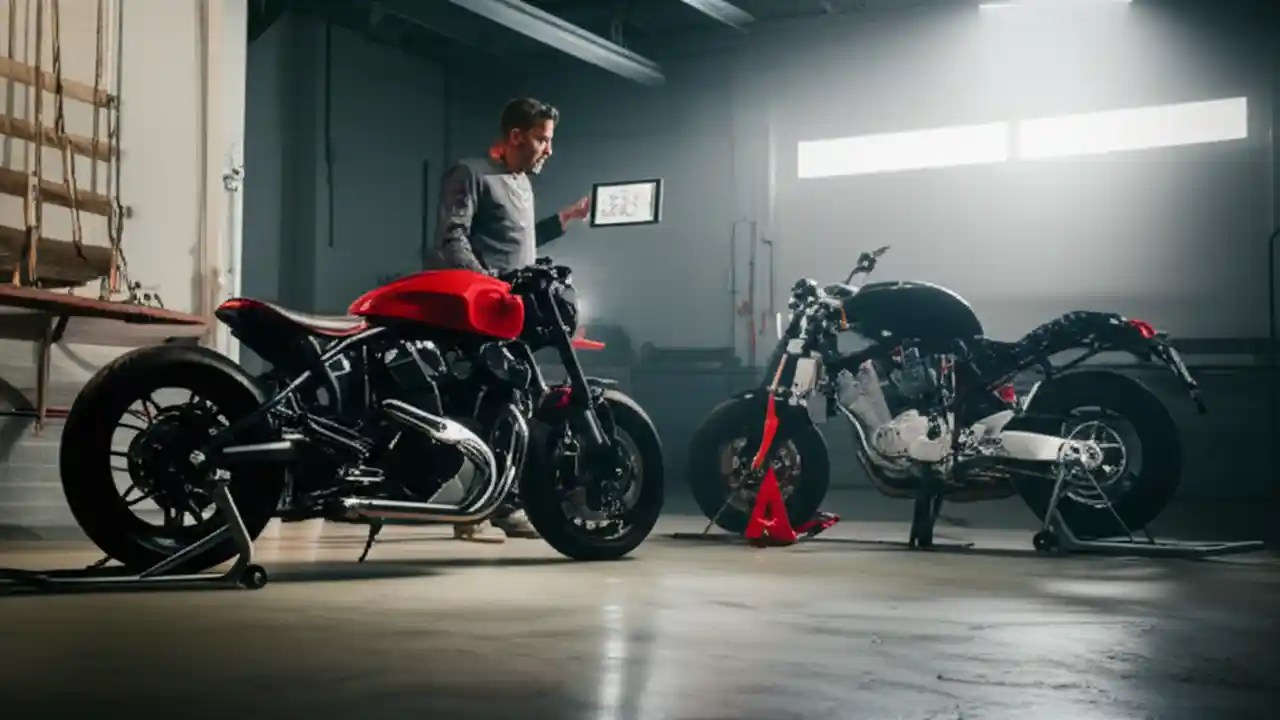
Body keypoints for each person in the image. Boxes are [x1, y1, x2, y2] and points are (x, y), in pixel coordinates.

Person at [426, 97, 592, 542]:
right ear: (516, 136)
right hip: (482, 314)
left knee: (517, 409)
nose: (548, 150)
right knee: (480, 409)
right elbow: (452, 237)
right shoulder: (470, 173)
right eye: (542, 139)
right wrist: (487, 288)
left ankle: (507, 504)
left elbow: (517, 240)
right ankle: (470, 512)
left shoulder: (521, 183)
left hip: (513, 315)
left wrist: (566, 219)